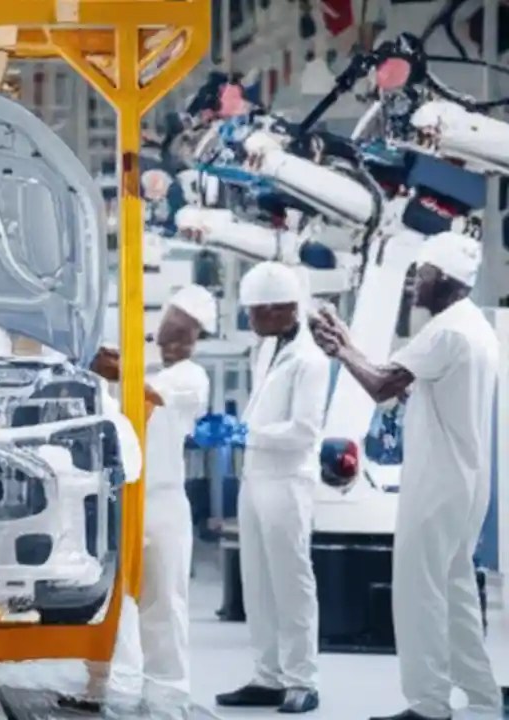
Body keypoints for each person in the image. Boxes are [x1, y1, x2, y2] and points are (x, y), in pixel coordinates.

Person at [309, 233, 501, 720]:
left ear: (446, 279)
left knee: (419, 590)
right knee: (454, 586)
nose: (415, 283)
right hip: (465, 481)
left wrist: (338, 351)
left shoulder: (446, 332)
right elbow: (405, 383)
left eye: (423, 274)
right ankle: (482, 697)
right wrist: (349, 342)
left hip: (437, 483)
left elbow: (381, 385)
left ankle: (428, 704)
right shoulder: (474, 327)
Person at [95, 285, 217, 718]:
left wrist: (119, 371)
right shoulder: (144, 371)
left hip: (163, 504)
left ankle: (167, 699)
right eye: (164, 334)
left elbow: (154, 395)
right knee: (110, 602)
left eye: (178, 335)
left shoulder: (190, 377)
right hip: (121, 498)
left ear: (195, 337)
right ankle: (105, 689)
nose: (168, 343)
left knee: (163, 603)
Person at [217, 261, 328, 714]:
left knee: (291, 582)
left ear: (283, 309)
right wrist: (237, 429)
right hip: (255, 477)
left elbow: (304, 430)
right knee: (257, 583)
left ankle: (303, 680)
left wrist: (248, 436)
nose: (250, 320)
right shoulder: (266, 350)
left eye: (256, 312)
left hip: (288, 481)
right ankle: (268, 677)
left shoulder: (311, 360)